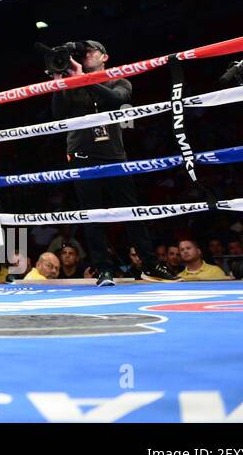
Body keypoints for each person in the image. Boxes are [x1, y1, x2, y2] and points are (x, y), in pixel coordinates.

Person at [49, 40, 176, 282]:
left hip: (114, 155)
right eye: (83, 53)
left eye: (91, 52)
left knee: (131, 212)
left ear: (105, 57)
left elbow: (117, 102)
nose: (86, 55)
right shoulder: (73, 83)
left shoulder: (119, 80)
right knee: (93, 215)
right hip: (81, 155)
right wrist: (60, 83)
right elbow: (57, 114)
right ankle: (103, 268)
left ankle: (149, 264)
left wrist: (82, 78)